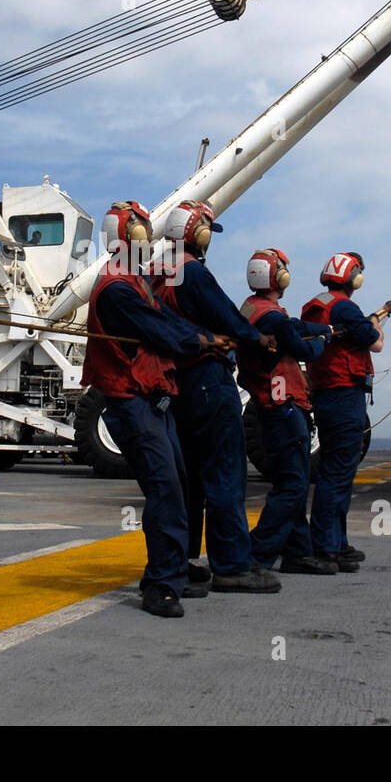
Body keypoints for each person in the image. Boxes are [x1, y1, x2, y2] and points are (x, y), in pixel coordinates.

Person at [82, 201, 231, 617]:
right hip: (132, 402)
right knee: (164, 488)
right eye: (143, 227)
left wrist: (203, 335)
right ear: (129, 234)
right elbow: (163, 332)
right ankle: (160, 584)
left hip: (152, 396)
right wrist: (206, 341)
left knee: (179, 482)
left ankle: (176, 563)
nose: (148, 234)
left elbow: (167, 320)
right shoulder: (117, 288)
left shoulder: (135, 280)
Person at [151, 200, 280, 594]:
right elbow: (229, 317)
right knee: (224, 474)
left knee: (189, 478)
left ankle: (185, 561)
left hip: (178, 385)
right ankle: (232, 566)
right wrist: (259, 337)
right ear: (199, 232)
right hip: (209, 379)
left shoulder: (158, 273)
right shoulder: (193, 272)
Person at [239, 249, 336, 575]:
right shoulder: (275, 319)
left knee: (288, 481)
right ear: (276, 275)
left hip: (269, 407)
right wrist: (325, 339)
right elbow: (305, 349)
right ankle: (256, 555)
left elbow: (291, 326)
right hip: (286, 408)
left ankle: (298, 552)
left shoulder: (255, 309)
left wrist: (317, 327)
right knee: (293, 485)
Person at [301, 252, 391, 571]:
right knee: (339, 473)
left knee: (335, 470)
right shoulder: (345, 307)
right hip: (345, 395)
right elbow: (375, 342)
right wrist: (378, 323)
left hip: (325, 393)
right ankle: (328, 545)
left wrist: (381, 312)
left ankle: (336, 542)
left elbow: (353, 329)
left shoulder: (316, 305)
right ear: (353, 277)